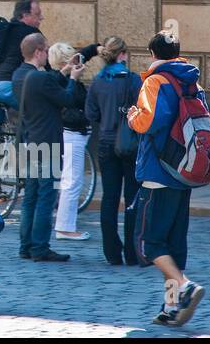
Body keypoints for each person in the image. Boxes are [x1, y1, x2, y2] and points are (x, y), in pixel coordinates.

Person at [128, 32, 206, 326]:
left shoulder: (155, 80)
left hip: (158, 171)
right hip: (182, 171)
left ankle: (184, 287)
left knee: (149, 243)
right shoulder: (190, 80)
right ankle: (171, 306)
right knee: (173, 244)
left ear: (152, 53)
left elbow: (150, 121)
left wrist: (133, 117)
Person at [12, 32, 84, 262]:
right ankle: (40, 247)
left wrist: (63, 72)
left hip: (30, 140)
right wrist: (73, 78)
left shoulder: (21, 76)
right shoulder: (40, 78)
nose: (47, 54)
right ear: (39, 52)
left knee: (31, 197)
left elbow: (48, 90)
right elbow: (67, 99)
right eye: (46, 49)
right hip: (48, 144)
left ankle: (26, 246)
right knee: (46, 197)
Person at [86, 36, 142, 266]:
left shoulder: (98, 82)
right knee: (132, 197)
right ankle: (132, 251)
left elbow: (91, 114)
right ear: (122, 55)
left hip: (106, 143)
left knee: (109, 198)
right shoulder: (133, 80)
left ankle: (111, 252)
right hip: (130, 144)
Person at [0, 0, 44, 126]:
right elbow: (47, 61)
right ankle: (27, 144)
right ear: (25, 16)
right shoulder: (31, 34)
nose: (41, 18)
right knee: (37, 114)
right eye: (37, 14)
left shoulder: (2, 30)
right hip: (5, 88)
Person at [49, 41, 92, 242]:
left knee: (72, 179)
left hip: (75, 132)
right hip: (72, 133)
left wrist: (96, 48)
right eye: (75, 59)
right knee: (72, 181)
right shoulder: (62, 81)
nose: (80, 62)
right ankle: (65, 227)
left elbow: (85, 56)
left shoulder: (59, 77)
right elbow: (70, 101)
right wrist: (73, 78)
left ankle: (65, 225)